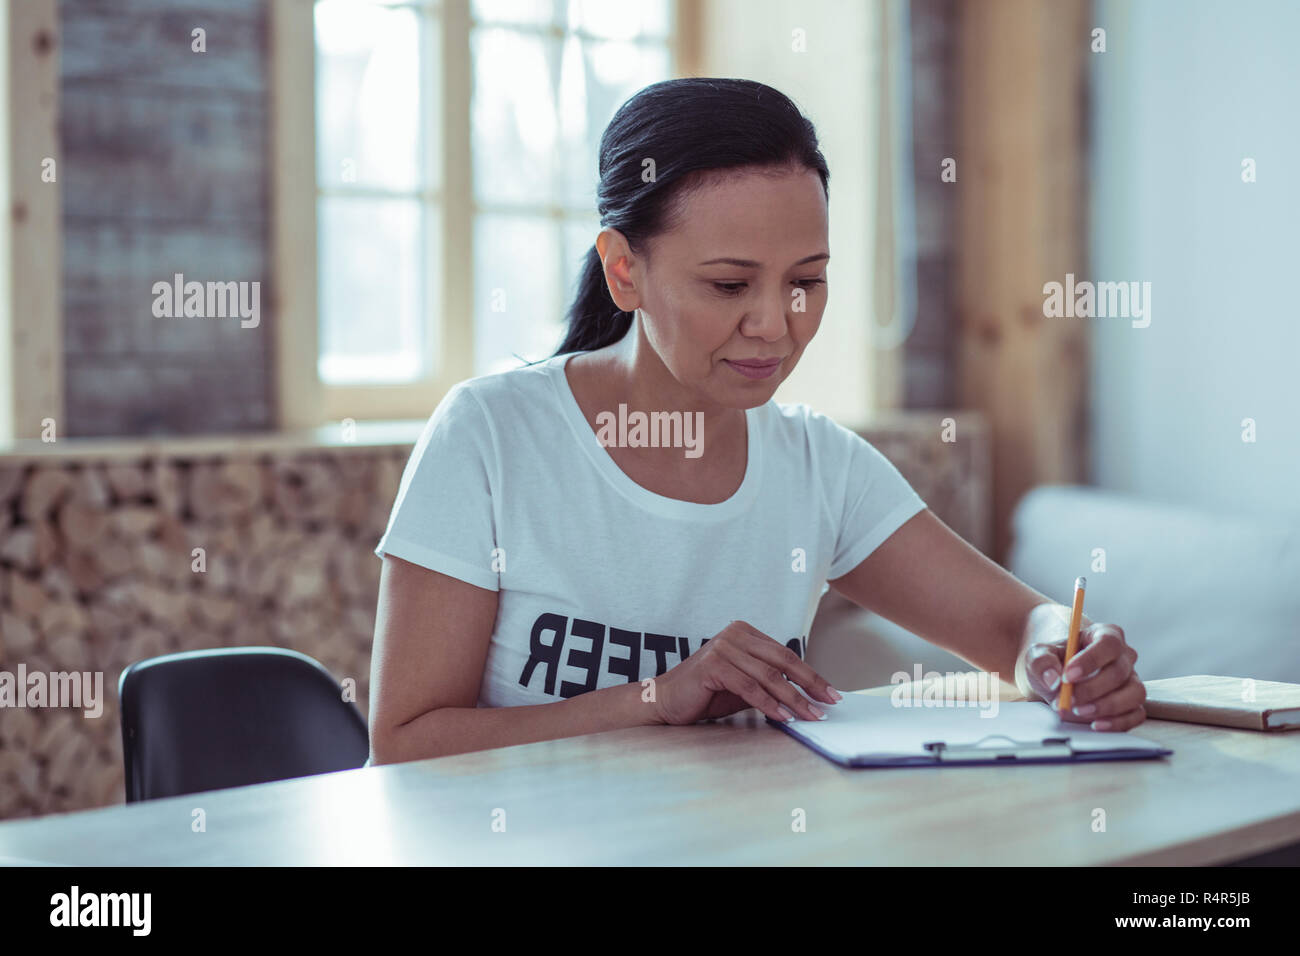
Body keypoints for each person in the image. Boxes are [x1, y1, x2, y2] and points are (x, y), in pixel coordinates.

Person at [367, 77, 1145, 765]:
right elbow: (404, 742)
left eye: (806, 280)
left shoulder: (819, 467)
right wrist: (653, 701)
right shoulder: (493, 436)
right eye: (730, 285)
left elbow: (1017, 630)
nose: (776, 323)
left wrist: (1060, 649)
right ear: (623, 270)